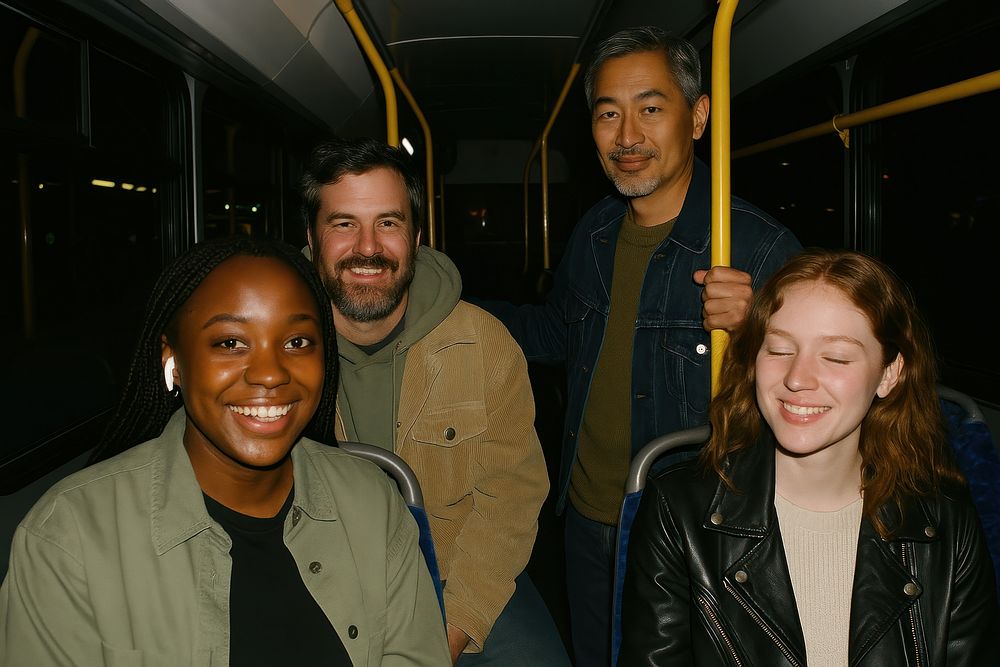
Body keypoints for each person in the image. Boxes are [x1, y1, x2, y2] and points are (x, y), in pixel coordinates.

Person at [483, 26, 802, 663]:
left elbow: (830, 398)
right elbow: (554, 333)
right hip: (586, 518)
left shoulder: (760, 250)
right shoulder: (596, 233)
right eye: (608, 113)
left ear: (699, 116)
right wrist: (439, 310)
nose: (626, 136)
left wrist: (765, 335)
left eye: (650, 109)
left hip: (694, 538)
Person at [0, 237, 450, 666]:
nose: (270, 374)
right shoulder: (69, 537)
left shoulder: (373, 502)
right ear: (172, 360)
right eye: (230, 343)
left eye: (297, 342)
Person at [620, 249, 1000, 665]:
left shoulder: (946, 517)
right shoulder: (677, 511)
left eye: (835, 357)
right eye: (780, 350)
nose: (797, 378)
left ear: (889, 373)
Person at [302, 138, 566, 665]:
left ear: (417, 237)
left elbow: (511, 496)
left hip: (454, 570)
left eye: (389, 222)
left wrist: (452, 629)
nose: (368, 246)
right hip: (321, 579)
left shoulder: (484, 344)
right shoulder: (277, 349)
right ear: (311, 237)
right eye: (344, 223)